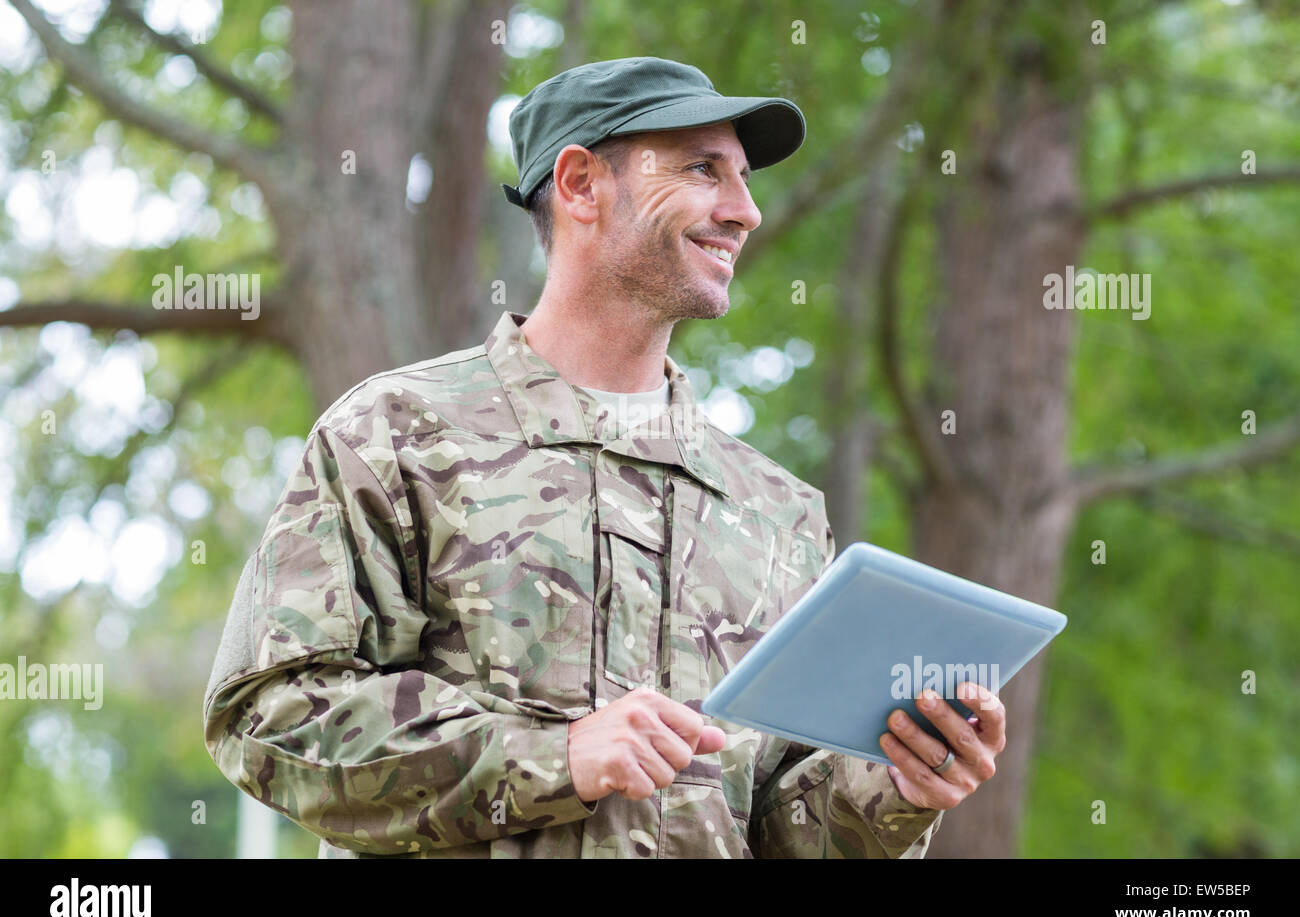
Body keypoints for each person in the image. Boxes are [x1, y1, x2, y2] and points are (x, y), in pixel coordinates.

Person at [203, 56, 1005, 858]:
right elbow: (269, 717)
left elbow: (775, 828)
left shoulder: (779, 512)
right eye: (703, 170)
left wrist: (897, 787)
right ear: (582, 185)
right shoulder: (396, 435)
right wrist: (556, 758)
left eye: (745, 179)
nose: (746, 211)